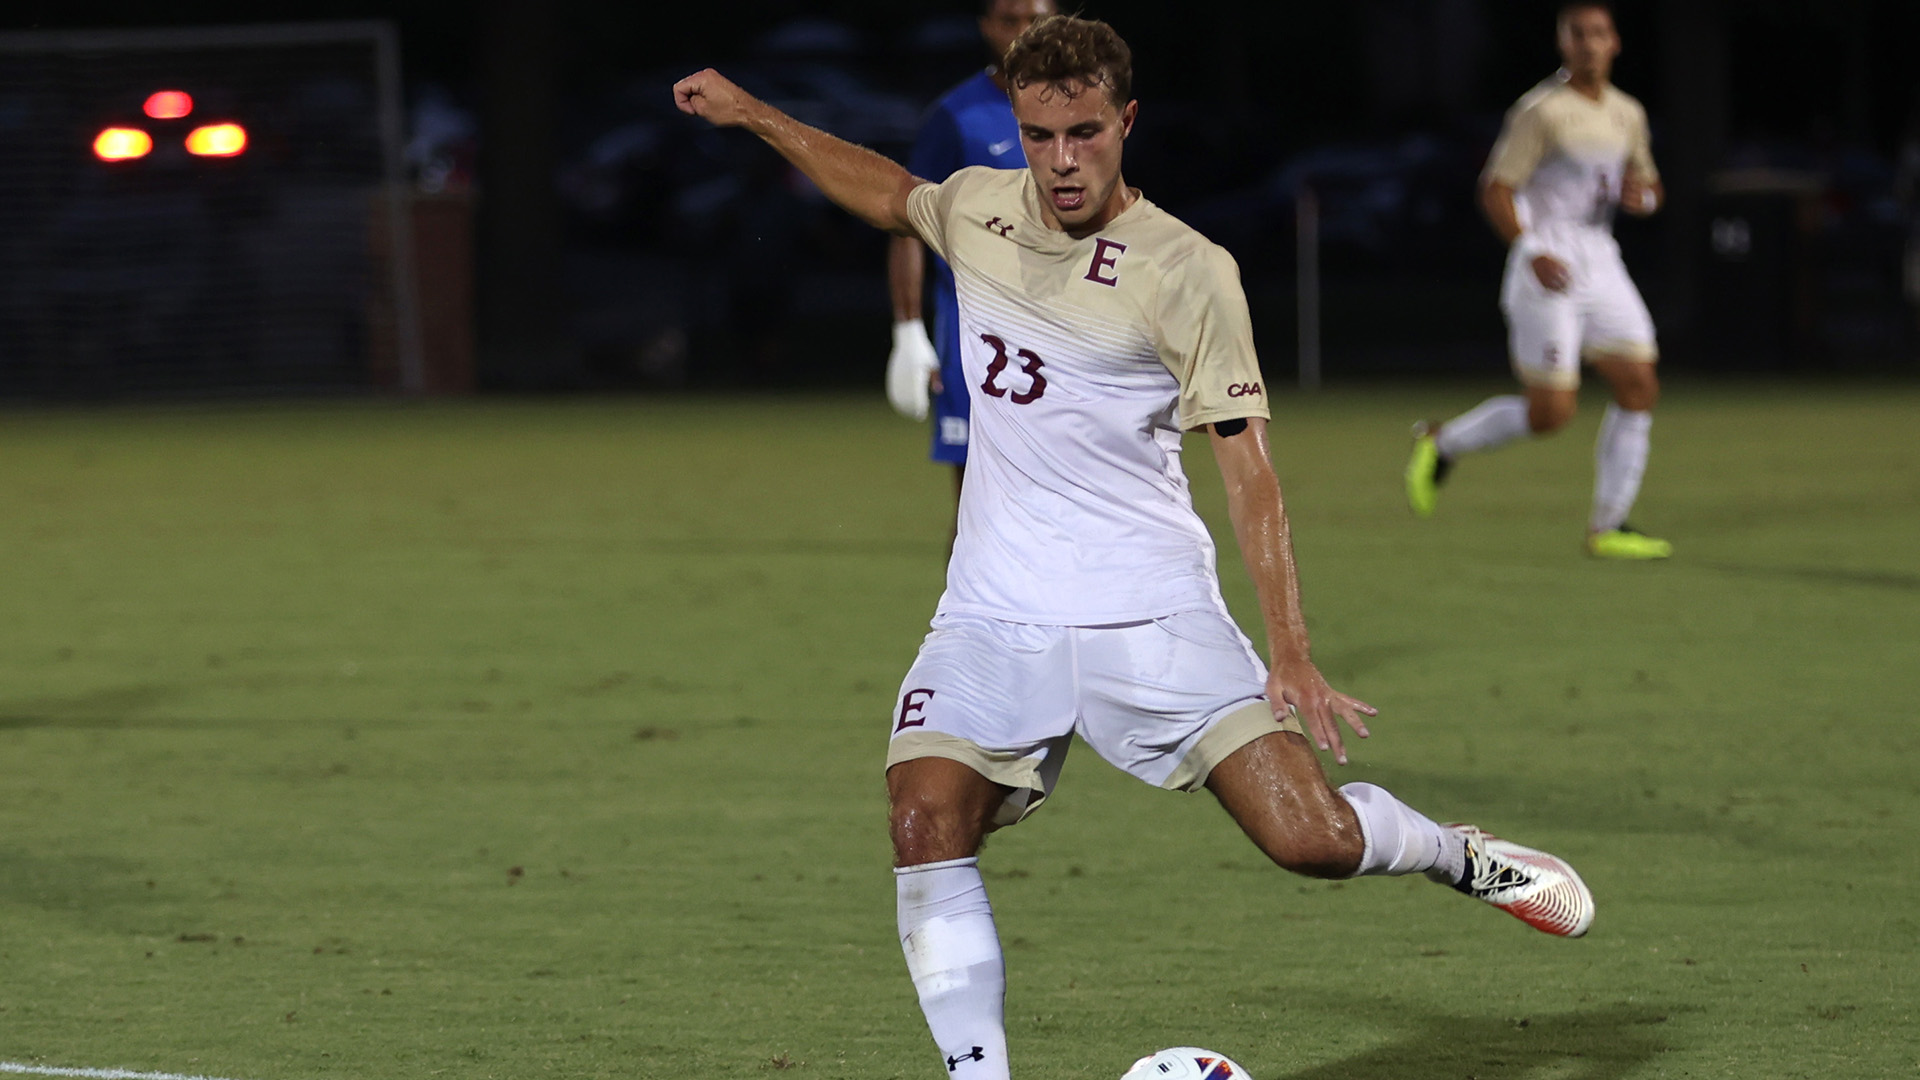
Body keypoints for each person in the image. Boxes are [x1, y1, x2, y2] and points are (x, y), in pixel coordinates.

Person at [675, 17, 1593, 1080]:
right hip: (995, 607)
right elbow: (884, 188)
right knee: (924, 819)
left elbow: (1249, 472)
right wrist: (751, 115)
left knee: (1314, 842)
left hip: (1150, 607)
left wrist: (1290, 646)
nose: (1061, 161)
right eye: (1037, 134)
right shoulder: (977, 207)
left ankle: (1451, 850)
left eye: (1084, 134)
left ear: (1125, 121)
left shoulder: (1189, 271)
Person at [1405, 1, 1670, 560]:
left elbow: (1647, 185)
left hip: (1601, 258)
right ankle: (1442, 441)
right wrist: (1530, 249)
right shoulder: (1541, 110)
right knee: (1551, 414)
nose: (1589, 43)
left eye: (1598, 33)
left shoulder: (1628, 113)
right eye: (1577, 34)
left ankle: (1609, 526)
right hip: (1547, 262)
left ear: (1615, 42)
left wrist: (1642, 198)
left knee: (1639, 382)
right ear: (1563, 44)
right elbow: (1495, 189)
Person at [886, 0, 1057, 515]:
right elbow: (907, 220)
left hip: (1069, 326)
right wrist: (909, 329)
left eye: (1036, 19)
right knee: (980, 510)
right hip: (979, 334)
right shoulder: (956, 116)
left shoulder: (1086, 106)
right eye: (1010, 20)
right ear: (986, 27)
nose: (1024, 32)